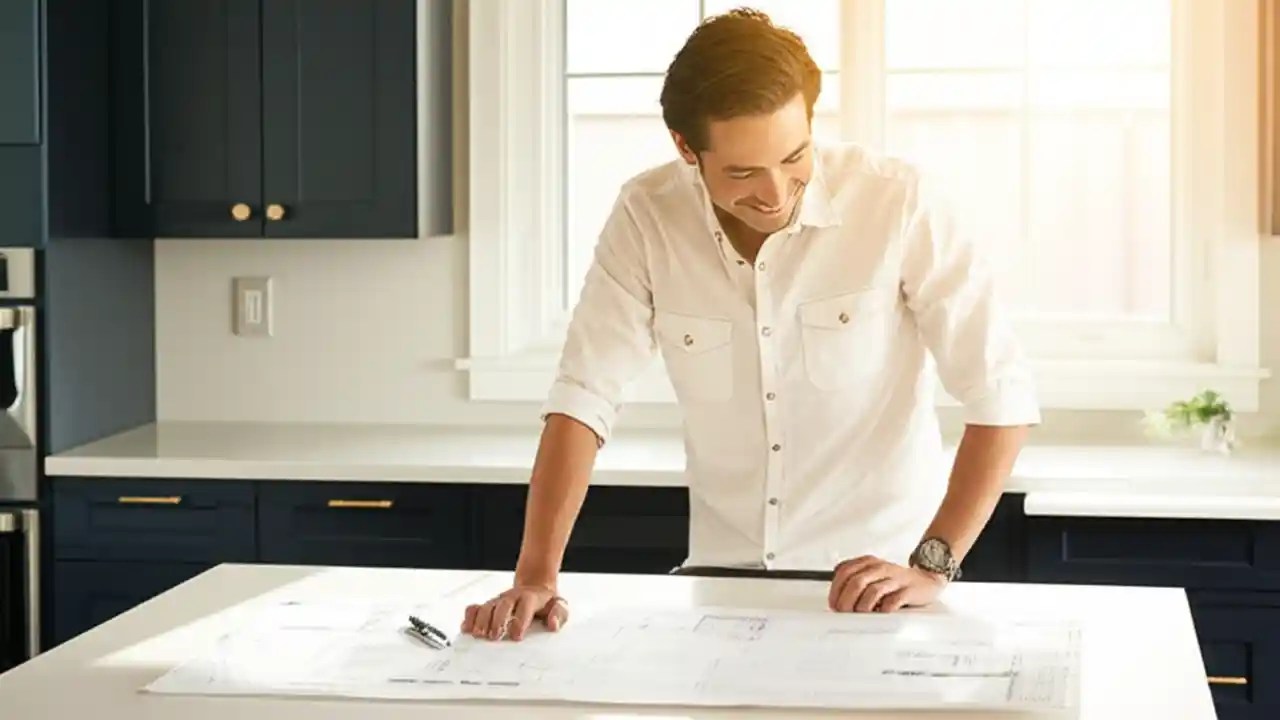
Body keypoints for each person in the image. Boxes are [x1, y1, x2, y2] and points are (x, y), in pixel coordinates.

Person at [461, 8, 1039, 643]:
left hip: (883, 591)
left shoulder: (898, 201)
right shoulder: (646, 216)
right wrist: (537, 576)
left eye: (794, 158)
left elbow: (999, 394)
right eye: (741, 173)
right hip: (720, 586)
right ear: (686, 148)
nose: (774, 193)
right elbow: (583, 396)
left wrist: (933, 565)